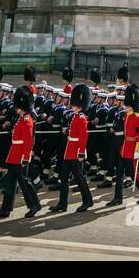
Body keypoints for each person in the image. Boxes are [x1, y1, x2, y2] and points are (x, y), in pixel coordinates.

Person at [0, 84, 40, 220]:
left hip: (20, 156)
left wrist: (25, 157)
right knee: (10, 183)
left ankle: (34, 204)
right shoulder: (21, 118)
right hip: (14, 155)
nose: (15, 108)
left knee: (24, 183)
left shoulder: (26, 120)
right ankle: (5, 209)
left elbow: (28, 141)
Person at [49, 83, 94, 213]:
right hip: (69, 150)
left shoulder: (81, 118)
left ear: (79, 104)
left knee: (79, 178)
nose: (71, 104)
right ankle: (62, 204)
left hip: (76, 152)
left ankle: (88, 200)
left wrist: (80, 153)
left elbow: (83, 138)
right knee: (64, 178)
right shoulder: (75, 116)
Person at [110, 83, 139, 207]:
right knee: (119, 173)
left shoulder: (137, 118)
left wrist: (138, 152)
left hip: (133, 148)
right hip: (125, 147)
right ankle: (118, 197)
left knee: (133, 173)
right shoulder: (126, 115)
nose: (125, 105)